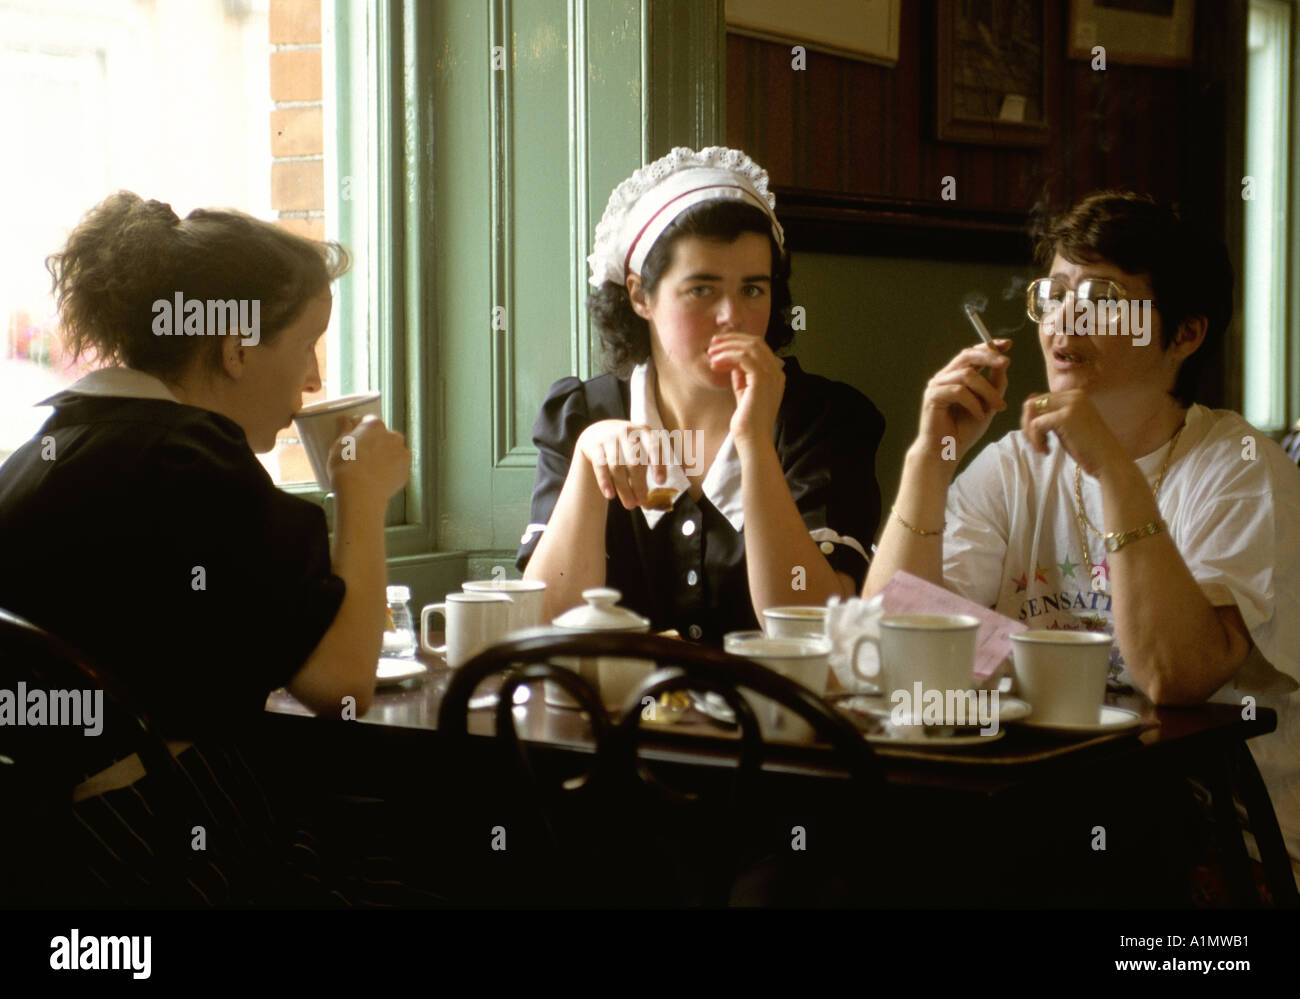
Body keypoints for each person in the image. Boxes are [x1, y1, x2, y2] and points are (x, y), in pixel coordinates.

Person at [864, 190, 1300, 886]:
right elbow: (890, 640)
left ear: (1185, 334)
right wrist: (930, 457)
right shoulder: (1014, 464)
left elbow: (1174, 676)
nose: (1066, 319)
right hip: (1046, 803)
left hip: (1222, 836)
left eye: (1101, 297)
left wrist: (1113, 469)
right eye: (1056, 293)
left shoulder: (1240, 469)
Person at [0, 191, 412, 903]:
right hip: (166, 857)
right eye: (306, 343)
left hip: (44, 862)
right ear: (237, 347)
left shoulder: (35, 457)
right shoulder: (200, 466)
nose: (314, 377)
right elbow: (341, 684)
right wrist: (363, 498)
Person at [518, 147, 884, 643]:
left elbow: (820, 631)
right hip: (613, 716)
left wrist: (754, 442)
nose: (731, 315)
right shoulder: (583, 415)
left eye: (753, 289)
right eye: (702, 290)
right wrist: (587, 465)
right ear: (639, 295)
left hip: (775, 719)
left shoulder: (823, 420)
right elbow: (545, 628)